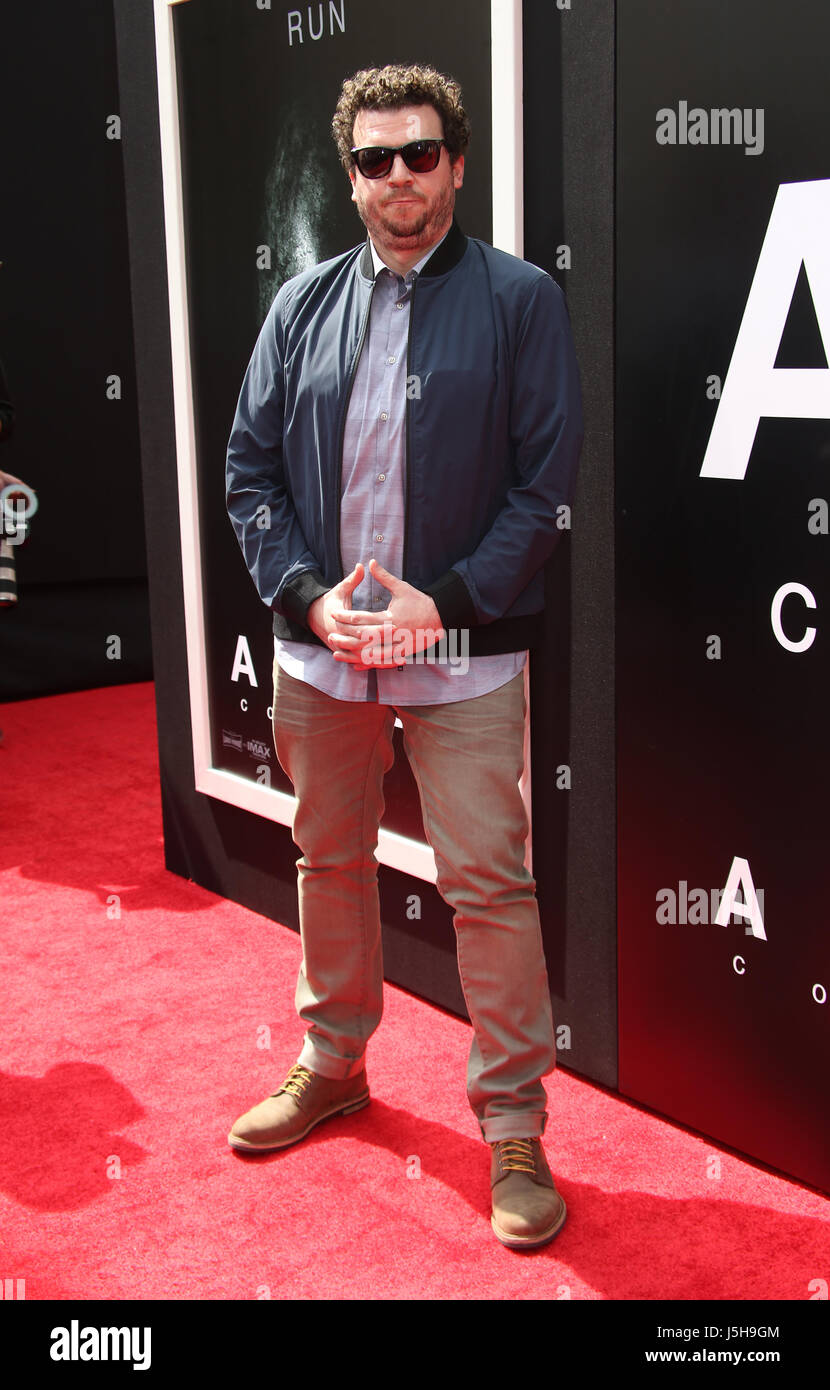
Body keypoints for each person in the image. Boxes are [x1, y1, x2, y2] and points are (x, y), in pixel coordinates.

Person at [225, 63, 583, 1249]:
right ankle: (333, 1062)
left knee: (486, 883)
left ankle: (513, 1124)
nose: (397, 178)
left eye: (419, 154)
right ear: (350, 178)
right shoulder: (298, 307)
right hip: (322, 656)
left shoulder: (520, 299)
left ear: (456, 165)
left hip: (462, 656)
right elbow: (250, 474)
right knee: (327, 856)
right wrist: (305, 596)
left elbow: (543, 487)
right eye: (373, 160)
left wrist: (453, 601)